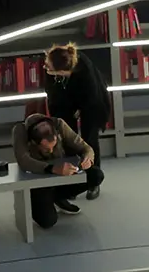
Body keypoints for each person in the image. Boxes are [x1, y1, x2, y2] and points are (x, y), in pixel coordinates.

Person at [43, 43, 110, 198]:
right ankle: (72, 181)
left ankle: (93, 182)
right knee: (67, 140)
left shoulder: (84, 68)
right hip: (63, 100)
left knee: (90, 139)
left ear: (64, 71)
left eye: (51, 69)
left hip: (92, 102)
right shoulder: (51, 63)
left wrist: (81, 109)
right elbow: (50, 91)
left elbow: (92, 96)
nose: (47, 69)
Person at [12, 114, 101, 228]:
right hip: (38, 181)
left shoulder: (59, 124)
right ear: (34, 142)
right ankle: (37, 203)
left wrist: (88, 159)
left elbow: (86, 148)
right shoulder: (20, 131)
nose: (51, 151)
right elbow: (23, 160)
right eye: (46, 149)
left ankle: (59, 197)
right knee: (48, 222)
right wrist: (51, 168)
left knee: (96, 175)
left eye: (53, 147)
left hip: (60, 177)